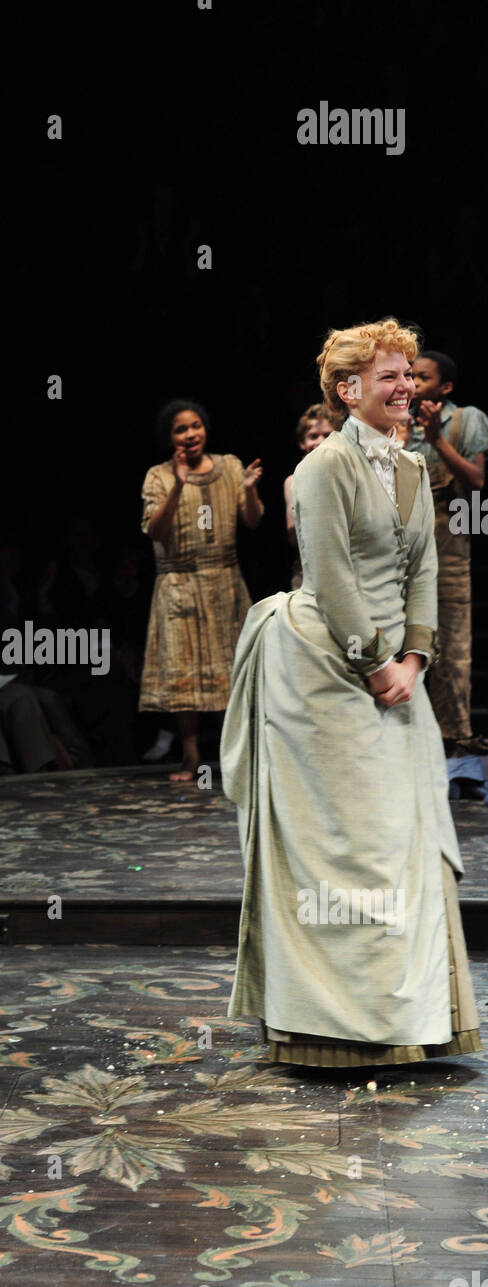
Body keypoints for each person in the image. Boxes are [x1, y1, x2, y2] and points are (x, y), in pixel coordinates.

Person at [220, 318, 481, 1067]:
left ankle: (407, 1016)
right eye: (392, 376)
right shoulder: (327, 466)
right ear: (348, 389)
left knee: (402, 837)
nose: (408, 387)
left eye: (411, 374)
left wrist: (419, 658)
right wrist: (375, 665)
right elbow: (330, 574)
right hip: (321, 669)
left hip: (395, 670)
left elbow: (426, 568)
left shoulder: (409, 466)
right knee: (342, 848)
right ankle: (330, 1030)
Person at [139, 400, 263, 781]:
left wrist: (251, 490)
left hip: (224, 582)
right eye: (181, 429)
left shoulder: (229, 466)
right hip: (179, 583)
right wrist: (178, 484)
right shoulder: (158, 476)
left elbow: (253, 522)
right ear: (170, 437)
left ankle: (234, 756)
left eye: (196, 426)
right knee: (184, 672)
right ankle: (191, 758)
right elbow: (155, 531)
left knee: (231, 670)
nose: (190, 434)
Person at [409, 350, 488, 759]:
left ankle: (454, 738)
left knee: (452, 645)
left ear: (445, 386)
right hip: (401, 543)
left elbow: (476, 482)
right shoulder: (396, 422)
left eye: (422, 377)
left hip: (451, 532)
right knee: (404, 640)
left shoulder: (466, 419)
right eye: (409, 376)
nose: (414, 383)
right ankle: (407, 736)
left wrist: (437, 439)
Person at [283, 404, 333, 590]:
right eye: (313, 436)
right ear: (302, 443)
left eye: (327, 435)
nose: (320, 441)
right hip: (309, 573)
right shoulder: (293, 481)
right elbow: (293, 533)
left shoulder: (350, 475)